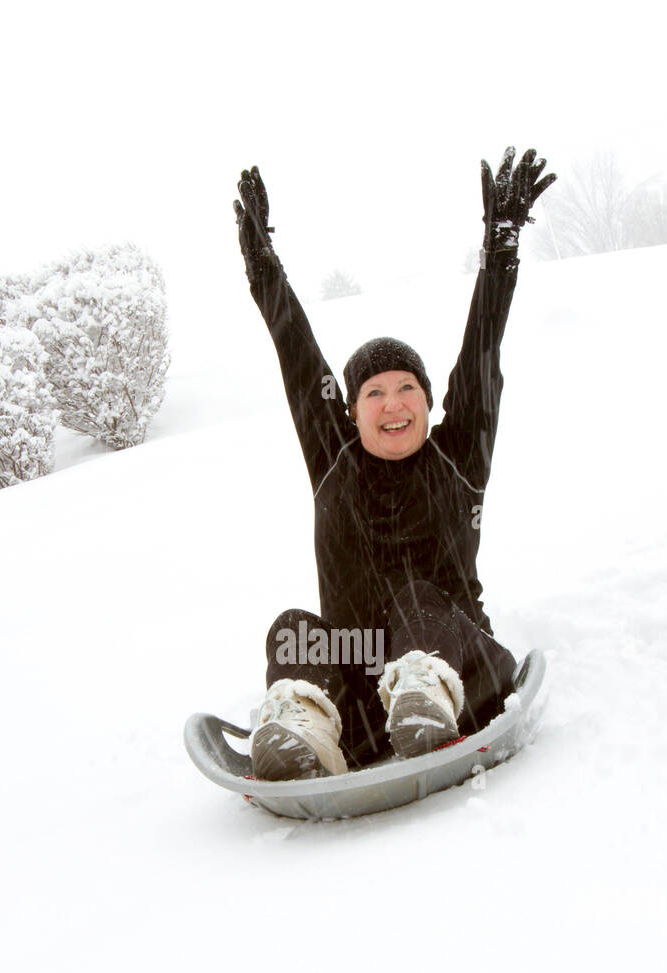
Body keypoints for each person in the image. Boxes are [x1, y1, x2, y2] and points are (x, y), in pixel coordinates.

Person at [234, 148, 556, 781]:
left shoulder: (457, 454)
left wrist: (500, 252)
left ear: (430, 404)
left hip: (464, 664)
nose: (393, 403)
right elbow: (298, 353)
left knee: (417, 601)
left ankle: (427, 698)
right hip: (365, 688)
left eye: (407, 387)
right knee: (293, 631)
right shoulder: (335, 461)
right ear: (351, 413)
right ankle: (306, 737)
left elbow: (482, 350)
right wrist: (263, 269)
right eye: (374, 393)